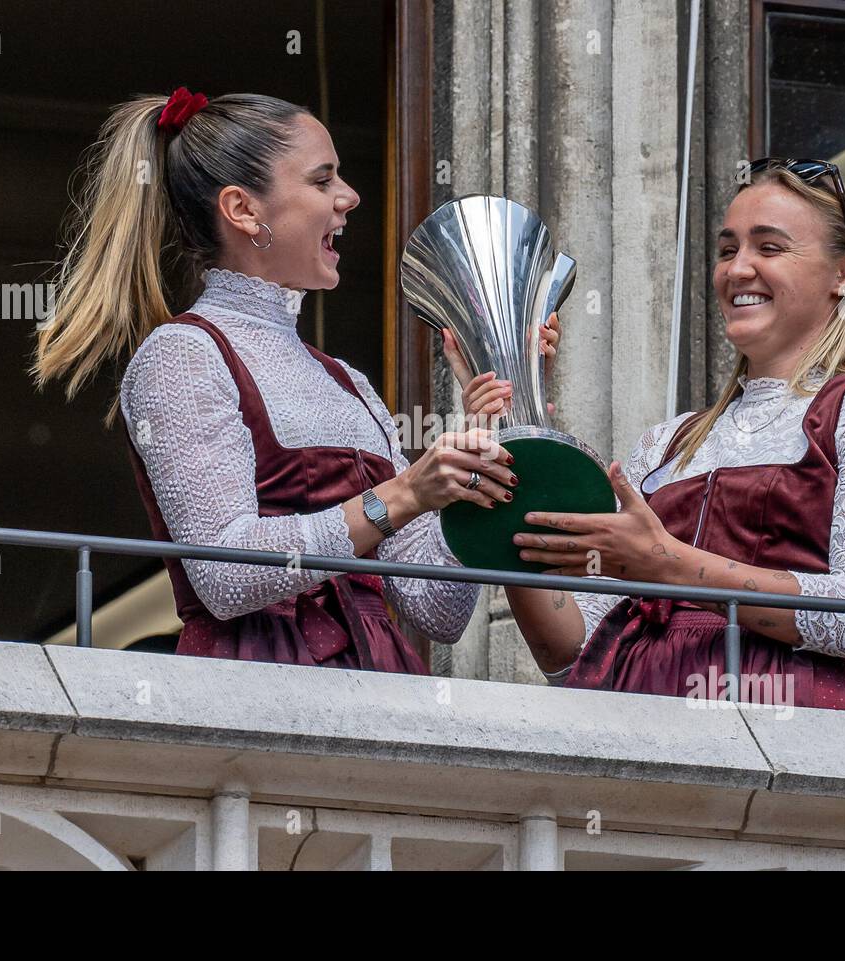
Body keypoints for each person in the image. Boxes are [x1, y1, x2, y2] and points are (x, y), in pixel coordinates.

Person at [33, 88, 519, 673]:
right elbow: (225, 575)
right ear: (243, 210)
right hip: (259, 690)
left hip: (383, 694)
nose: (349, 197)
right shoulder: (183, 355)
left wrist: (475, 454)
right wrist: (406, 493)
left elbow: (437, 612)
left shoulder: (348, 381)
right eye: (322, 180)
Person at [451, 159, 845, 710]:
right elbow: (569, 651)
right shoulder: (668, 442)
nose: (737, 269)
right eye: (728, 250)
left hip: (784, 727)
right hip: (635, 721)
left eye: (769, 248)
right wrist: (515, 457)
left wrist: (665, 562)